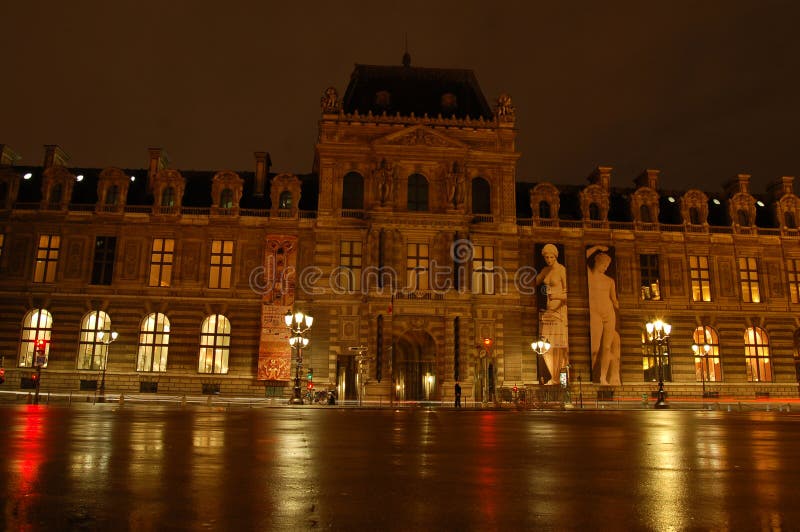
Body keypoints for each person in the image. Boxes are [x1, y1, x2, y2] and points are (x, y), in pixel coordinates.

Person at [586, 245, 621, 385]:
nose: (606, 268)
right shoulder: (590, 275)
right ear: (597, 262)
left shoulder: (610, 281)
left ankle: (602, 377)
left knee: (607, 347)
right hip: (595, 313)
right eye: (604, 265)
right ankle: (596, 373)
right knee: (594, 348)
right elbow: (584, 254)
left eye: (607, 265)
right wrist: (597, 247)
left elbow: (614, 300)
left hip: (609, 313)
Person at [535, 244, 569, 384]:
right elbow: (534, 282)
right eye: (546, 257)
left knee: (559, 346)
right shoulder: (545, 270)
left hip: (559, 311)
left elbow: (567, 294)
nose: (548, 259)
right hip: (548, 313)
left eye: (551, 257)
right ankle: (553, 376)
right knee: (546, 347)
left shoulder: (561, 270)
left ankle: (557, 378)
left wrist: (556, 297)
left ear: (556, 256)